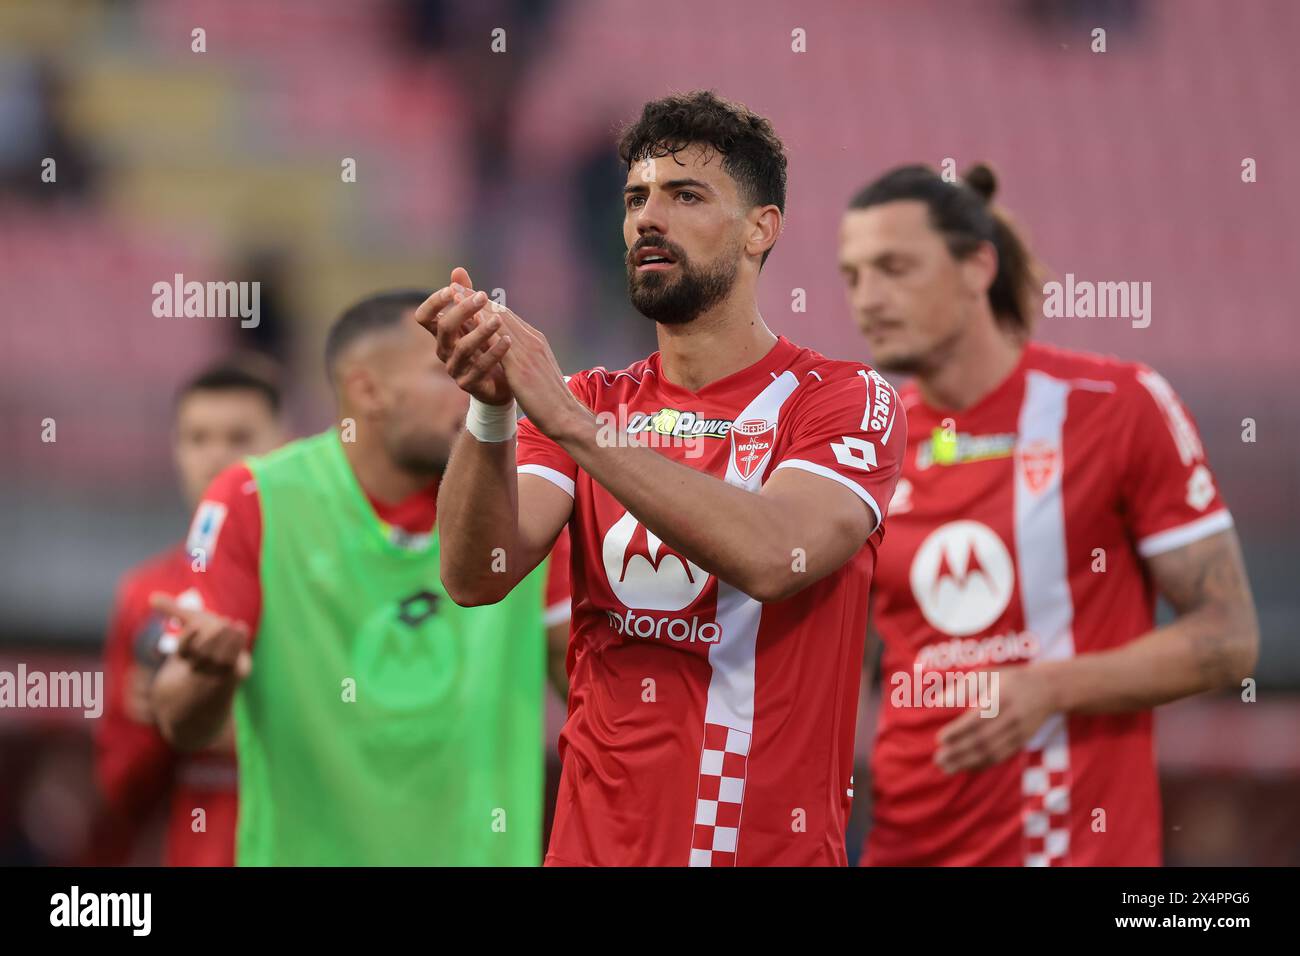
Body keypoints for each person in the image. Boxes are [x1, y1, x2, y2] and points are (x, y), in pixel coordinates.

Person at [420, 90, 907, 866]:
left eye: (686, 196)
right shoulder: (590, 399)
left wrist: (573, 425)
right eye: (636, 199)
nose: (650, 218)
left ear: (760, 230)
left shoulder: (845, 401)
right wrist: (490, 415)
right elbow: (476, 573)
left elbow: (774, 554)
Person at [837, 163, 1259, 866]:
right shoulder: (870, 446)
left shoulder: (1116, 405)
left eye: (894, 268)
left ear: (977, 267)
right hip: (904, 848)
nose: (868, 299)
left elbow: (1229, 636)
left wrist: (1049, 686)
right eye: (852, 277)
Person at [150, 290, 570, 865]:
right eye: (444, 370)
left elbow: (592, 690)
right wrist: (208, 670)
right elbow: (180, 721)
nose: (471, 387)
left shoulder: (524, 505)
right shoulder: (254, 500)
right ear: (367, 391)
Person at [95, 359, 284, 866]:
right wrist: (159, 722)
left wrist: (217, 715)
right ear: (176, 450)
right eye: (197, 438)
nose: (216, 456)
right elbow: (120, 788)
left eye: (239, 436)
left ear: (283, 446)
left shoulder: (323, 579)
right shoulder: (147, 594)